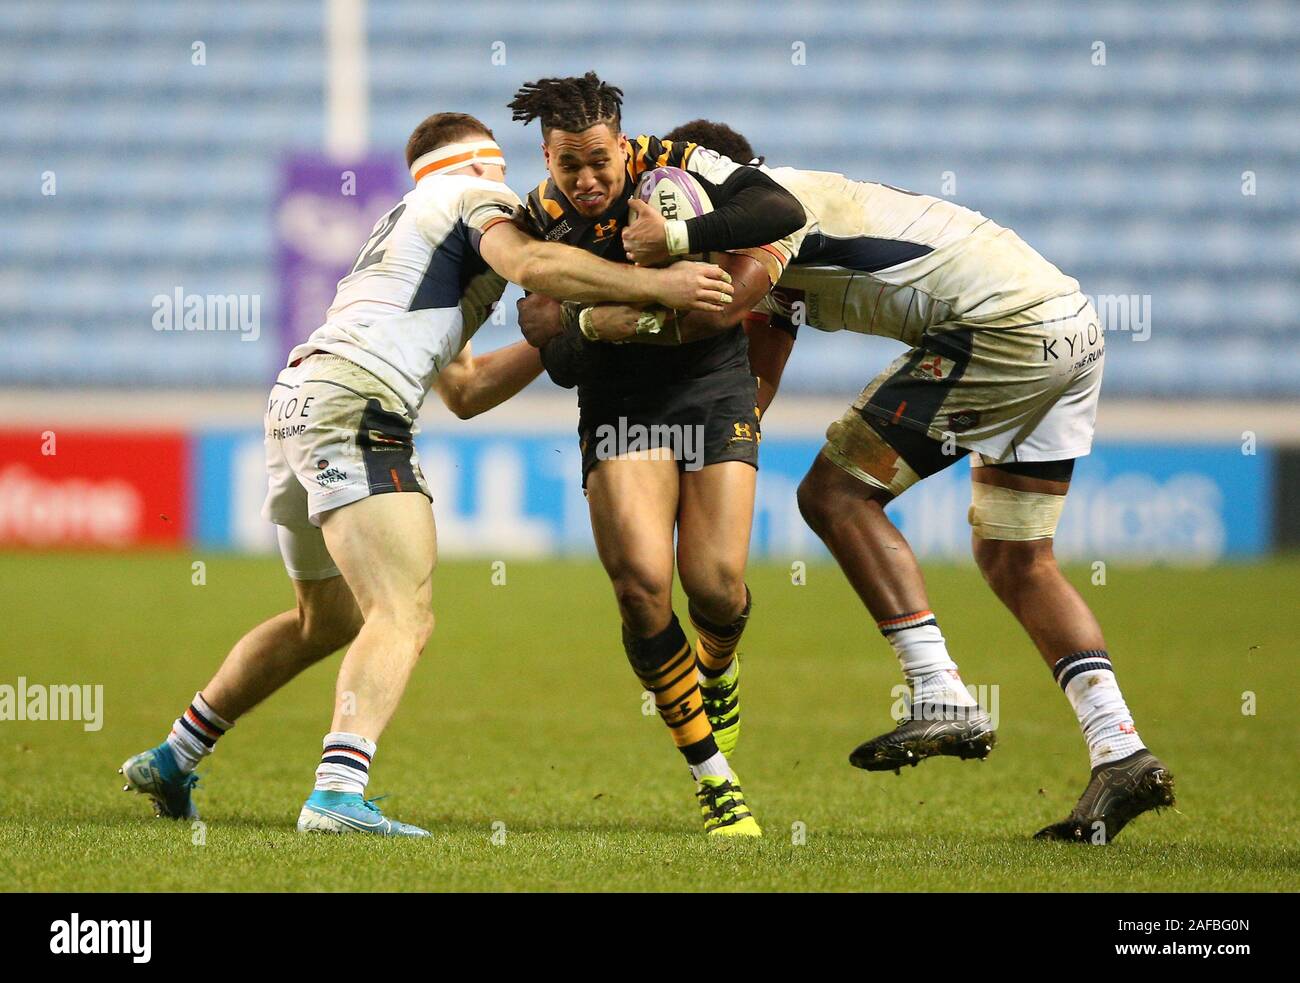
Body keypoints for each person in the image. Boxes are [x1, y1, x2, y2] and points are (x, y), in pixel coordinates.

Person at [118, 111, 735, 837]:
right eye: (506, 172)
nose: (517, 195)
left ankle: (176, 753)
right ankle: (336, 793)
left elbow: (466, 389)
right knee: (402, 611)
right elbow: (534, 267)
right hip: (357, 403)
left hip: (295, 403)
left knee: (327, 620)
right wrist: (651, 289)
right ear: (480, 163)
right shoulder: (473, 197)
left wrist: (575, 331)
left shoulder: (408, 225)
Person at [610, 118, 1176, 844]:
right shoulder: (777, 227)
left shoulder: (770, 215)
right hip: (1068, 327)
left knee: (833, 494)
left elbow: (719, 317)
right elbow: (753, 387)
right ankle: (1120, 747)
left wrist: (605, 320)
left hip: (1002, 329)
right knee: (1015, 558)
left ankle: (939, 692)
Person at [507, 73, 806, 836]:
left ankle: (720, 662)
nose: (587, 180)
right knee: (642, 584)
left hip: (711, 389)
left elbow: (780, 209)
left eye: (600, 161)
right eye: (568, 165)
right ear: (545, 155)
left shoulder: (676, 165)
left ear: (624, 144)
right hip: (620, 404)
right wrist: (590, 328)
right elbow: (562, 359)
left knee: (716, 587)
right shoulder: (535, 224)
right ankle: (716, 783)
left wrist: (673, 243)